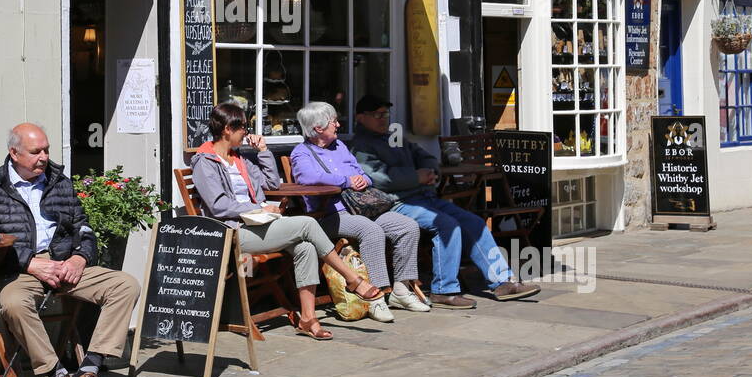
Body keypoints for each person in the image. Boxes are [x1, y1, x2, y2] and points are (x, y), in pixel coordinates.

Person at [0, 123, 140, 377]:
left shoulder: (58, 181)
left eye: (46, 150)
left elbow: (83, 227)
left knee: (125, 285)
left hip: (64, 262)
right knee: (13, 303)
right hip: (21, 269)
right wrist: (30, 262)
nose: (44, 157)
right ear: (14, 153)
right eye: (36, 152)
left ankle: (89, 371)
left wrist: (80, 258)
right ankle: (57, 375)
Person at [190, 101, 382, 341]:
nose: (247, 134)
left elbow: (271, 184)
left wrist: (262, 152)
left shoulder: (239, 158)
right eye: (243, 129)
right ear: (228, 129)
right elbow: (218, 206)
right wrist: (256, 208)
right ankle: (352, 279)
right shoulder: (205, 161)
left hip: (259, 223)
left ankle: (308, 319)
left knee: (306, 247)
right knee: (307, 224)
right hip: (234, 231)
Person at [351, 94, 540, 308]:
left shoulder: (395, 136)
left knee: (474, 223)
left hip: (424, 197)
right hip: (397, 204)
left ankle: (503, 281)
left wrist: (431, 170)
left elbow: (423, 154)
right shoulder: (361, 146)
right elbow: (379, 178)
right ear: (360, 118)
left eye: (385, 114)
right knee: (447, 226)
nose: (383, 118)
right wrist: (417, 176)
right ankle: (443, 289)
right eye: (377, 115)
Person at [288, 101, 428, 321]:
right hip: (331, 215)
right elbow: (308, 177)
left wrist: (363, 179)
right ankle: (376, 297)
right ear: (318, 128)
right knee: (371, 231)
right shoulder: (301, 153)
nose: (337, 124)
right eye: (333, 121)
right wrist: (345, 181)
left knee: (407, 226)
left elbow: (363, 174)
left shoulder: (340, 146)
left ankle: (401, 290)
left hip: (364, 207)